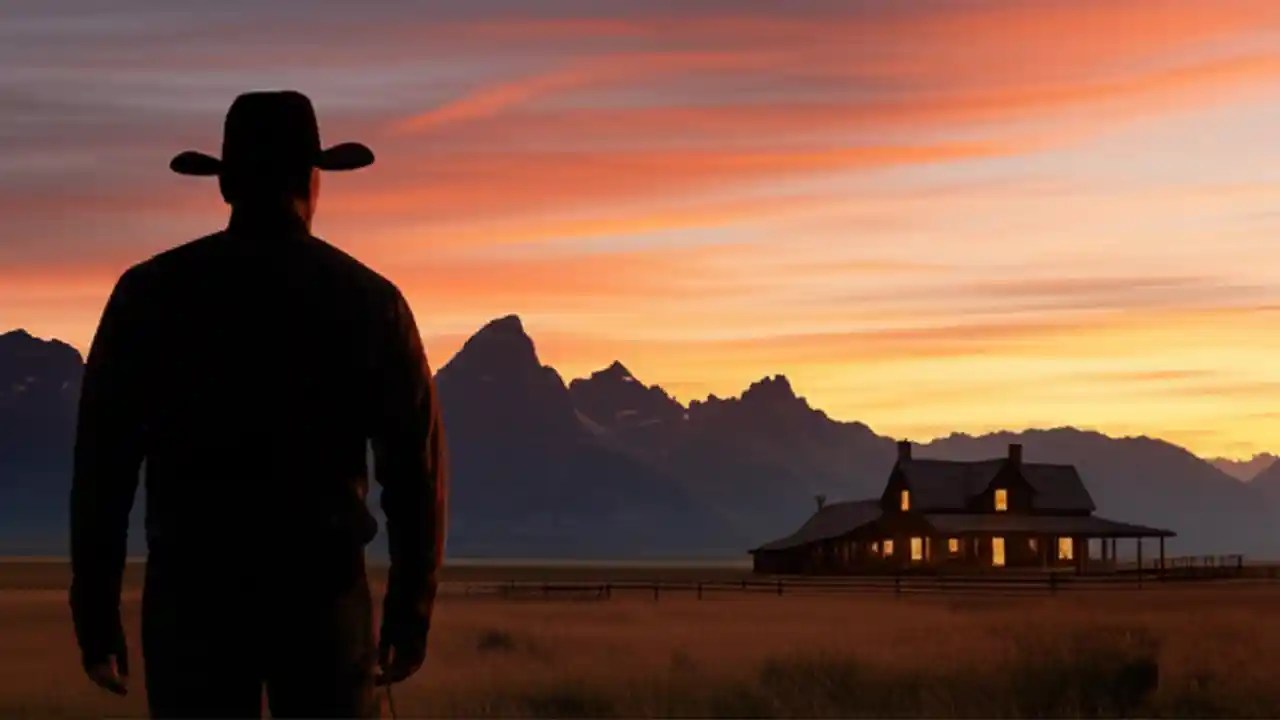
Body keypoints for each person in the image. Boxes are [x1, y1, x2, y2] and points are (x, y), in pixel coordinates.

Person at [69, 90, 448, 718]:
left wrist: (96, 617)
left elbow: (101, 469)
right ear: (312, 180)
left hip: (192, 600)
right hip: (322, 599)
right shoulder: (368, 301)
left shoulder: (149, 295)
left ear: (225, 186)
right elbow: (415, 472)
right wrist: (410, 614)